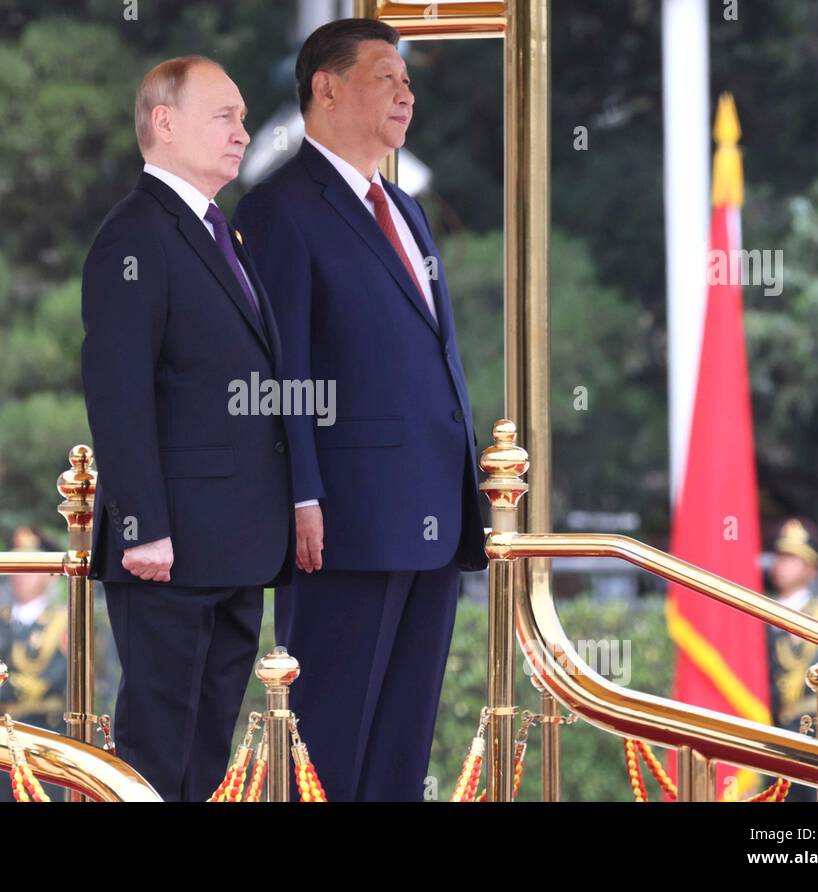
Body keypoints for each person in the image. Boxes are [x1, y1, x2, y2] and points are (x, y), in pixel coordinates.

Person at [233, 19, 486, 801]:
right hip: (342, 520)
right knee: (330, 742)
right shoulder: (281, 208)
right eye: (385, 75)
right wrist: (301, 491)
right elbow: (281, 371)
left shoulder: (406, 210)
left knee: (402, 747)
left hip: (431, 510)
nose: (406, 91)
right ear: (327, 87)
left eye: (408, 79)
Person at [80, 56, 294, 802]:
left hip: (235, 545)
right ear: (164, 123)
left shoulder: (216, 234)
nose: (242, 132)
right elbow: (118, 390)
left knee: (205, 755)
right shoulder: (136, 234)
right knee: (156, 755)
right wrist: (141, 526)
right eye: (224, 116)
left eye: (241, 117)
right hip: (169, 551)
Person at [0, 526, 70, 802]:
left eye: (29, 565)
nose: (19, 574)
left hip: (46, 743)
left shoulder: (64, 622)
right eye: (15, 564)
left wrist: (0, 688)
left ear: (48, 574)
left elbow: (55, 678)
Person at [765, 516, 818, 802]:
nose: (782, 564)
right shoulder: (761, 609)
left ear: (811, 568)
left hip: (816, 734)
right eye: (780, 556)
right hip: (771, 731)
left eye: (792, 558)